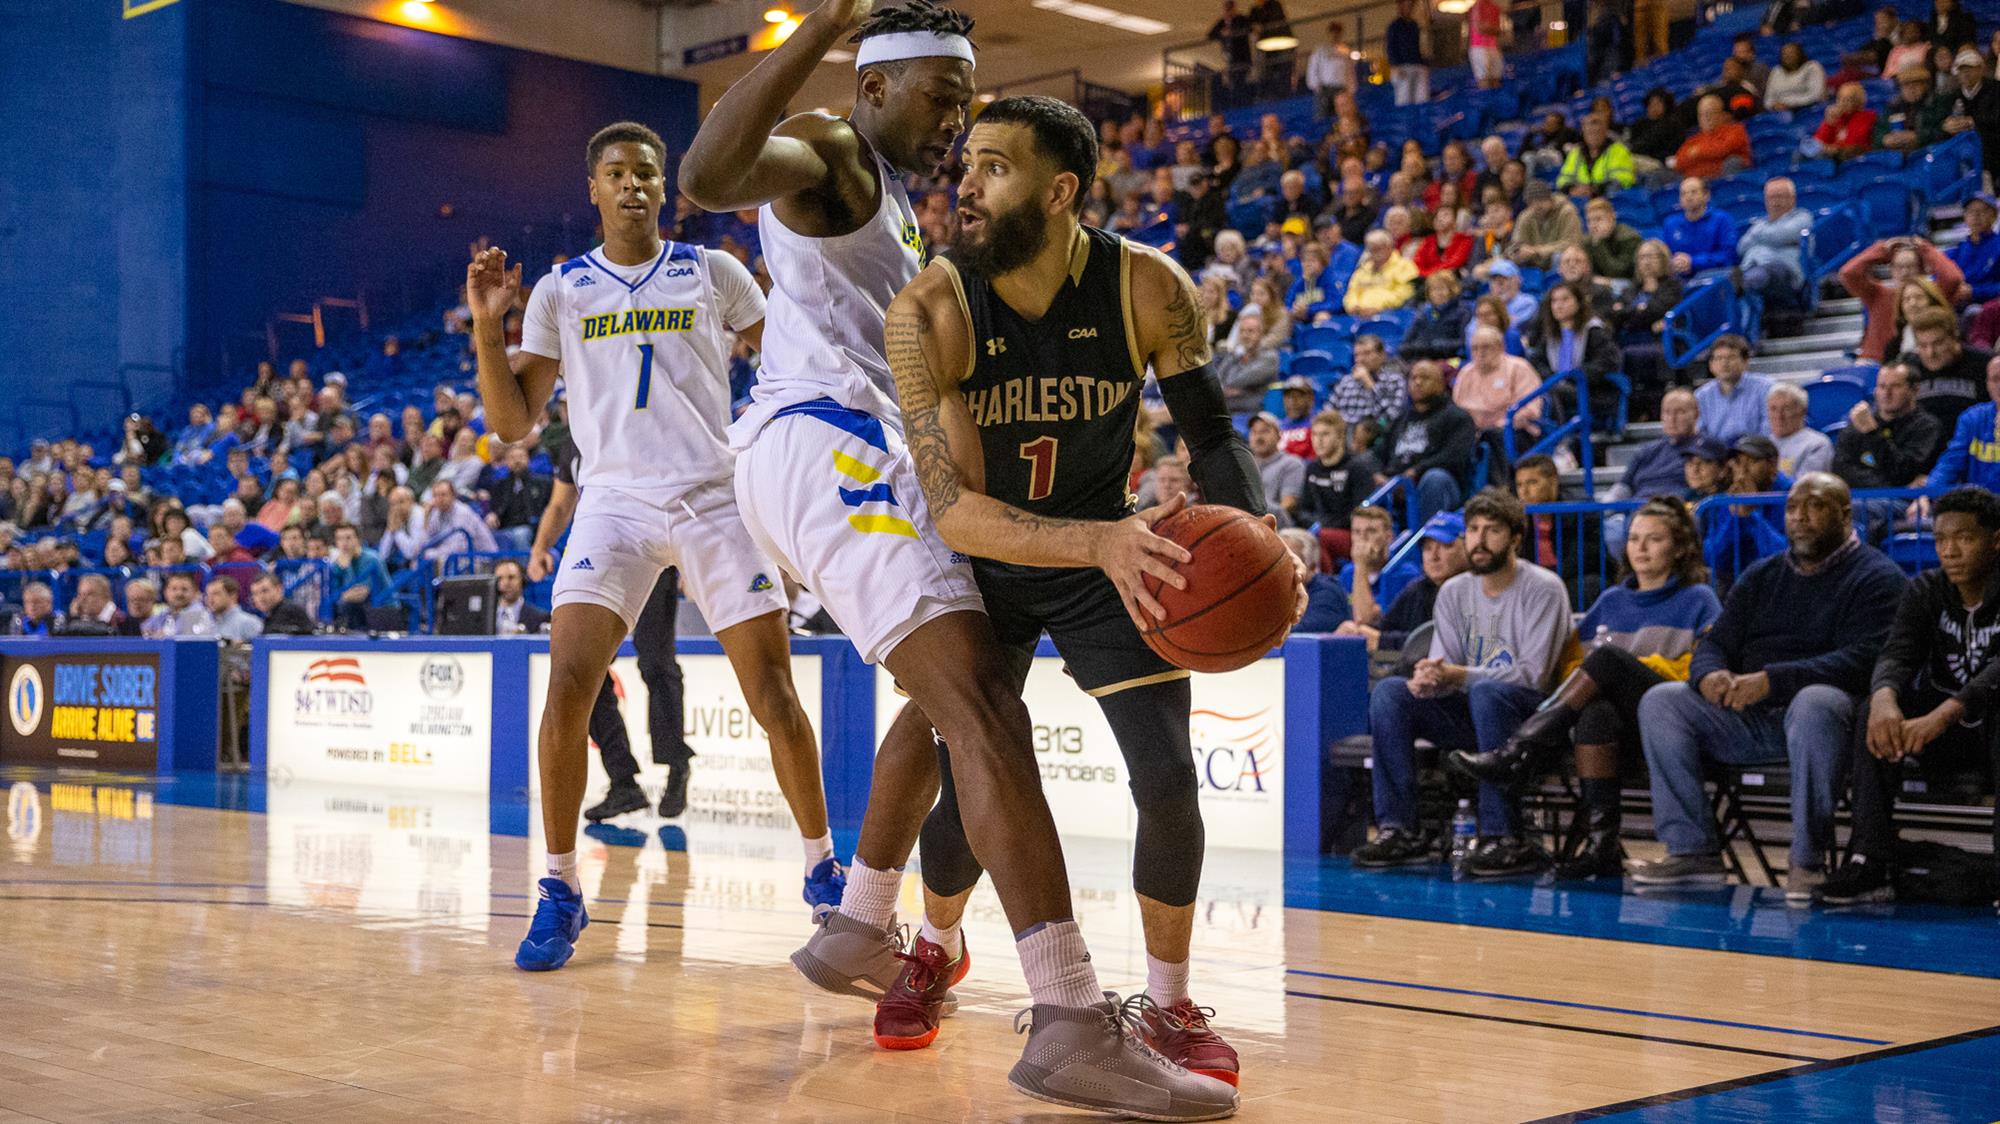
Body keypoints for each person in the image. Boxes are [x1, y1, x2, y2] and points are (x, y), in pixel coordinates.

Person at [682, 15, 1225, 1112]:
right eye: (940, 92)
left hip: (835, 454)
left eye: (965, 98)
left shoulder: (893, 203)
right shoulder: (832, 150)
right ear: (874, 85)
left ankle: (859, 925)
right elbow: (709, 173)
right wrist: (825, 29)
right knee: (985, 706)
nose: (954, 116)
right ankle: (1070, 1017)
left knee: (943, 704)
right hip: (829, 448)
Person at [884, 95, 1307, 1107]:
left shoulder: (1148, 285)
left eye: (992, 167)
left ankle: (1167, 1000)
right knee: (966, 795)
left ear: (1059, 189)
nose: (965, 186)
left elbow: (1210, 435)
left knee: (1166, 778)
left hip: (1106, 553)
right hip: (988, 561)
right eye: (964, 165)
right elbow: (955, 514)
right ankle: (935, 947)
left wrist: (1257, 533)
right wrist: (1103, 541)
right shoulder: (927, 309)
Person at [475, 119, 834, 975]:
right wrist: (489, 329)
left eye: (646, 172)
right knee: (569, 684)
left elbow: (788, 359)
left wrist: (771, 448)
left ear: (664, 187)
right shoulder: (560, 290)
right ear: (592, 190)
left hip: (715, 496)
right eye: (616, 173)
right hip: (614, 504)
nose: (633, 184)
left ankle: (824, 871)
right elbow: (512, 424)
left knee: (774, 692)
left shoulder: (714, 270)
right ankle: (561, 888)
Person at [1630, 474, 1907, 899]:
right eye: (1793, 508)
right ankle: (1692, 852)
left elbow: (1865, 659)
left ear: (1845, 515)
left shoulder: (1877, 576)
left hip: (1827, 724)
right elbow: (1716, 641)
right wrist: (1710, 675)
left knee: (1815, 702)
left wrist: (1773, 682)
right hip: (1747, 718)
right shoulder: (1763, 574)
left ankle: (1807, 861)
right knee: (1662, 701)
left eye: (1813, 507)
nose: (1799, 518)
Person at [1448, 496, 1722, 878]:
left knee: (1609, 660)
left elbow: (1704, 667)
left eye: (1654, 539)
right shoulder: (1611, 600)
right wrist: (1605, 678)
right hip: (1618, 724)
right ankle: (1601, 846)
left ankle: (1519, 750)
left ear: (1679, 548)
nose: (1640, 548)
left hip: (1670, 712)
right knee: (1595, 713)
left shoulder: (1699, 599)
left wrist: (1634, 667)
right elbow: (1572, 664)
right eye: (1634, 538)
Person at [1354, 489, 1573, 875]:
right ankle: (1399, 830)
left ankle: (1502, 836)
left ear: (1516, 539)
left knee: (1489, 692)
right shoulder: (1454, 591)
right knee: (1392, 693)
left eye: (1492, 530)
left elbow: (1534, 675)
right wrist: (1430, 678)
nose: (1480, 540)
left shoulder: (1544, 587)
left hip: (1530, 721)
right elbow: (1447, 663)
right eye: (1473, 529)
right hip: (1472, 711)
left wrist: (1460, 676)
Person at [1827, 486, 2000, 903]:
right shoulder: (1926, 589)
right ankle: (1870, 859)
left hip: (1985, 729)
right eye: (1940, 539)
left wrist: (1946, 712)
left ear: (1996, 541)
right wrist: (1885, 697)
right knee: (1875, 708)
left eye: (1964, 538)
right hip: (1947, 737)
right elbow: (1897, 653)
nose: (1950, 551)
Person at [533, 437, 698, 820]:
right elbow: (560, 503)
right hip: (600, 553)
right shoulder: (573, 441)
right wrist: (539, 547)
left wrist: (690, 557)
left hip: (651, 550)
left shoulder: (629, 419)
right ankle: (623, 782)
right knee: (581, 674)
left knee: (657, 663)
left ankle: (677, 766)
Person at [1339, 511, 1467, 651]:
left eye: (1445, 546)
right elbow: (1384, 626)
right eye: (1427, 548)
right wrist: (1356, 631)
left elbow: (1439, 641)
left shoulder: (1470, 590)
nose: (1433, 556)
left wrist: (1381, 640)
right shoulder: (1419, 588)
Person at [1840, 237, 1967, 364]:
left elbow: (1953, 278)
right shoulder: (1877, 294)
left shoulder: (1932, 294)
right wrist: (1881, 249)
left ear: (1922, 269)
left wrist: (1925, 248)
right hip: (1874, 364)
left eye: (1910, 266)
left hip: (1920, 364)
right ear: (1891, 270)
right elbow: (1848, 273)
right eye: (1899, 267)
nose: (1904, 272)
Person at [1383, 360, 1477, 523]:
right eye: (1413, 378)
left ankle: (1426, 540)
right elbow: (1380, 452)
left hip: (1440, 484)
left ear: (1441, 384)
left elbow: (1453, 457)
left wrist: (1417, 470)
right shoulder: (1401, 419)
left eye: (1425, 378)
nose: (1418, 382)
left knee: (1434, 478)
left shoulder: (1457, 417)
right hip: (1398, 483)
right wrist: (1377, 474)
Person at [1523, 280, 1622, 427]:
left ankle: (1561, 440)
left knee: (1552, 394)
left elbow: (1607, 362)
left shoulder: (1594, 331)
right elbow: (1536, 361)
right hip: (1558, 389)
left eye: (1565, 299)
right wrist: (1552, 377)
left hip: (1591, 392)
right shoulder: (1550, 335)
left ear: (1579, 302)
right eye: (1554, 301)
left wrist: (1573, 376)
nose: (1558, 305)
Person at [1833, 360, 1944, 490]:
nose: (1887, 393)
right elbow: (1842, 472)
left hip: (1906, 503)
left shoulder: (1927, 427)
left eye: (1895, 386)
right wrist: (1891, 487)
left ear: (1915, 390)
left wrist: (1872, 433)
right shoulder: (1859, 423)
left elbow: (1903, 472)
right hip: (1868, 498)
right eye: (1882, 386)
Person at [1298, 410, 1378, 568]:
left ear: (1340, 437)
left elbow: (1360, 513)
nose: (1318, 441)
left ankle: (1325, 586)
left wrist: (1325, 525)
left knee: (1318, 538)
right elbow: (1303, 509)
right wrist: (1317, 523)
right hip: (1319, 528)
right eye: (1315, 435)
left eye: (1325, 434)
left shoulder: (1358, 468)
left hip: (1354, 535)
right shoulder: (1311, 469)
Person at [1734, 178, 1810, 327]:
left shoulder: (1803, 217)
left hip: (1785, 270)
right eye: (1771, 197)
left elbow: (1783, 234)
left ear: (1792, 199)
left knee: (1757, 275)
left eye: (1780, 196)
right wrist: (1770, 236)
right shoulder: (1761, 223)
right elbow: (1741, 247)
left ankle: (1738, 286)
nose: (1775, 202)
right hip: (1752, 268)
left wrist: (1758, 236)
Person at [1907, 307, 1994, 430]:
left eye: (1937, 343)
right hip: (1924, 444)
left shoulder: (1985, 364)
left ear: (1954, 337)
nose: (1930, 353)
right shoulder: (1908, 369)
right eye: (1922, 345)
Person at [1925, 355, 2000, 492]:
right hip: (1980, 505)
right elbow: (1950, 463)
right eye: (1995, 379)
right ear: (1987, 384)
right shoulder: (1973, 418)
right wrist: (1926, 494)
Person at [1455, 324, 1543, 432]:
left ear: (1500, 347)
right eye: (1475, 348)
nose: (1480, 353)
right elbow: (1457, 409)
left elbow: (1530, 409)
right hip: (1472, 431)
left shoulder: (1518, 368)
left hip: (1512, 430)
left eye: (1486, 347)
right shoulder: (1466, 372)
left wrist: (1500, 425)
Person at [1693, 335, 1772, 445]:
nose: (1725, 363)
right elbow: (1700, 435)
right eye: (1719, 358)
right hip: (1717, 456)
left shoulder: (1765, 388)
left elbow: (1768, 432)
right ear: (1711, 365)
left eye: (1731, 357)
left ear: (1745, 362)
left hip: (1754, 454)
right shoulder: (1701, 396)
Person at [1940, 48, 2000, 182]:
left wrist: (1972, 122)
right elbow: (1941, 122)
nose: (1966, 74)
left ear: (1981, 69)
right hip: (1960, 150)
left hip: (1991, 151)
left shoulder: (1996, 90)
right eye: (1962, 70)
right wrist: (1946, 126)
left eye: (1970, 69)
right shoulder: (1952, 96)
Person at [1664, 177, 1739, 279]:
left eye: (1693, 192)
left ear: (1706, 195)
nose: (1688, 197)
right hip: (1680, 280)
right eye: (1683, 194)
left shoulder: (1722, 219)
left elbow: (1728, 255)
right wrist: (1675, 263)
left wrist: (1693, 262)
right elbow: (1666, 256)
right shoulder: (1671, 223)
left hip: (1715, 277)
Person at [1672, 95, 1753, 180]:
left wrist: (1697, 152)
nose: (1706, 118)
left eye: (1710, 113)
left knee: (1733, 161)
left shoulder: (1735, 129)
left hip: (1719, 176)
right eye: (1702, 115)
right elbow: (1679, 162)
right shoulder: (1693, 139)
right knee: (1660, 175)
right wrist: (1708, 151)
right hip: (1695, 181)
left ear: (1722, 115)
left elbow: (1723, 149)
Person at [1507, 181, 1583, 271]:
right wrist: (1517, 251)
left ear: (1550, 199)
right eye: (1532, 202)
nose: (1537, 205)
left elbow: (1572, 243)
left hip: (1557, 259)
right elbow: (1515, 243)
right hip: (1534, 261)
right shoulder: (1526, 216)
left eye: (1541, 200)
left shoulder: (1567, 212)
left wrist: (1537, 250)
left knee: (1559, 256)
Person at [1556, 113, 1635, 200]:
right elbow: (1563, 179)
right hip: (1579, 199)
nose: (1593, 136)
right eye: (1589, 132)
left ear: (1605, 132)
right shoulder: (1575, 153)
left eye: (1597, 132)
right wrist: (1571, 189)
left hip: (1608, 200)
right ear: (1583, 133)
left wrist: (1594, 190)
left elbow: (1623, 179)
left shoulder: (1619, 150)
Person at [1343, 230, 1419, 316]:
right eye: (1371, 249)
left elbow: (1405, 293)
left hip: (1390, 313)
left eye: (1379, 248)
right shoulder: (1362, 270)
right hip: (1359, 315)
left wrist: (1379, 307)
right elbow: (1351, 292)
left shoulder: (1404, 266)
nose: (1374, 253)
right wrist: (1353, 306)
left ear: (1389, 247)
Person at [1400, 271, 1472, 361]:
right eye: (1433, 289)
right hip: (1422, 358)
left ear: (1451, 290)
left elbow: (1463, 342)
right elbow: (1405, 345)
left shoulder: (1462, 312)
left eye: (1441, 289)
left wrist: (1437, 345)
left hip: (1449, 359)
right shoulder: (1423, 313)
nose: (1437, 293)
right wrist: (1420, 347)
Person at [1248, 412, 1305, 526]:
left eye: (1264, 431)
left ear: (1279, 436)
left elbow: (1288, 505)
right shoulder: (1244, 465)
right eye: (1254, 432)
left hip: (1277, 527)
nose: (1259, 437)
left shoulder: (1291, 463)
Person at [1766, 383, 1833, 478]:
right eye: (1773, 409)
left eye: (1786, 409)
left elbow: (1806, 488)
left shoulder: (1817, 445)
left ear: (1802, 411)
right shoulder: (1764, 444)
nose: (1779, 416)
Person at [1947, 193, 2000, 304]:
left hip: (1990, 306)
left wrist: (1974, 291)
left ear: (1994, 215)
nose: (1976, 216)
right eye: (1971, 211)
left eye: (1983, 211)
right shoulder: (1959, 249)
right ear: (1965, 217)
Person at [1809, 82, 1876, 160]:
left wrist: (1831, 149)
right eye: (1840, 98)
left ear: (1859, 102)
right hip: (1831, 158)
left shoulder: (1866, 117)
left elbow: (1852, 143)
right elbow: (1817, 144)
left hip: (1852, 159)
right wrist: (1829, 124)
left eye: (1849, 99)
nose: (1843, 103)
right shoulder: (1835, 117)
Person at [1304, 19, 1354, 118]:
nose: (1335, 35)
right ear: (1329, 33)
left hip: (1341, 88)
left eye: (1337, 32)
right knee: (1323, 115)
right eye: (1333, 32)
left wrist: (1351, 89)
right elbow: (1313, 69)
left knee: (1341, 116)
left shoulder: (1346, 51)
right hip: (1325, 88)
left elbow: (1350, 71)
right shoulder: (1320, 50)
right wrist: (1315, 85)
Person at [143, 572, 215, 639]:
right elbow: (146, 629)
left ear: (194, 592)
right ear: (165, 592)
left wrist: (162, 635)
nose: (179, 593)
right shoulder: (165, 612)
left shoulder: (198, 612)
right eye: (174, 589)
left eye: (184, 589)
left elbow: (183, 639)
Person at [1385, 0, 1429, 105]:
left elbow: (1417, 46)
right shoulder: (1394, 26)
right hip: (1402, 66)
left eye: (1410, 6)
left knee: (1421, 98)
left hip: (1415, 64)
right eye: (1406, 5)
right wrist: (1395, 65)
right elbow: (1390, 46)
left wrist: (1422, 64)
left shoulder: (1414, 25)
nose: (1408, 9)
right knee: (1403, 98)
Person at [249, 572, 316, 635]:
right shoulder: (272, 614)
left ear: (279, 589)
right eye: (255, 593)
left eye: (265, 591)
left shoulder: (289, 611)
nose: (260, 598)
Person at [204, 576, 262, 643]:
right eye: (207, 594)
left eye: (216, 594)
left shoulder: (249, 623)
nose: (210, 599)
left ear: (232, 596)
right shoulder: (206, 623)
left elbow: (259, 650)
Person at [1468, 0, 1507, 90]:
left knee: (1495, 76)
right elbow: (1480, 27)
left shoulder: (1494, 8)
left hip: (1491, 47)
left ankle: (1491, 100)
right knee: (1484, 78)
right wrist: (1493, 30)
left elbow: (1493, 29)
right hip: (1479, 47)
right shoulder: (1478, 6)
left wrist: (1489, 28)